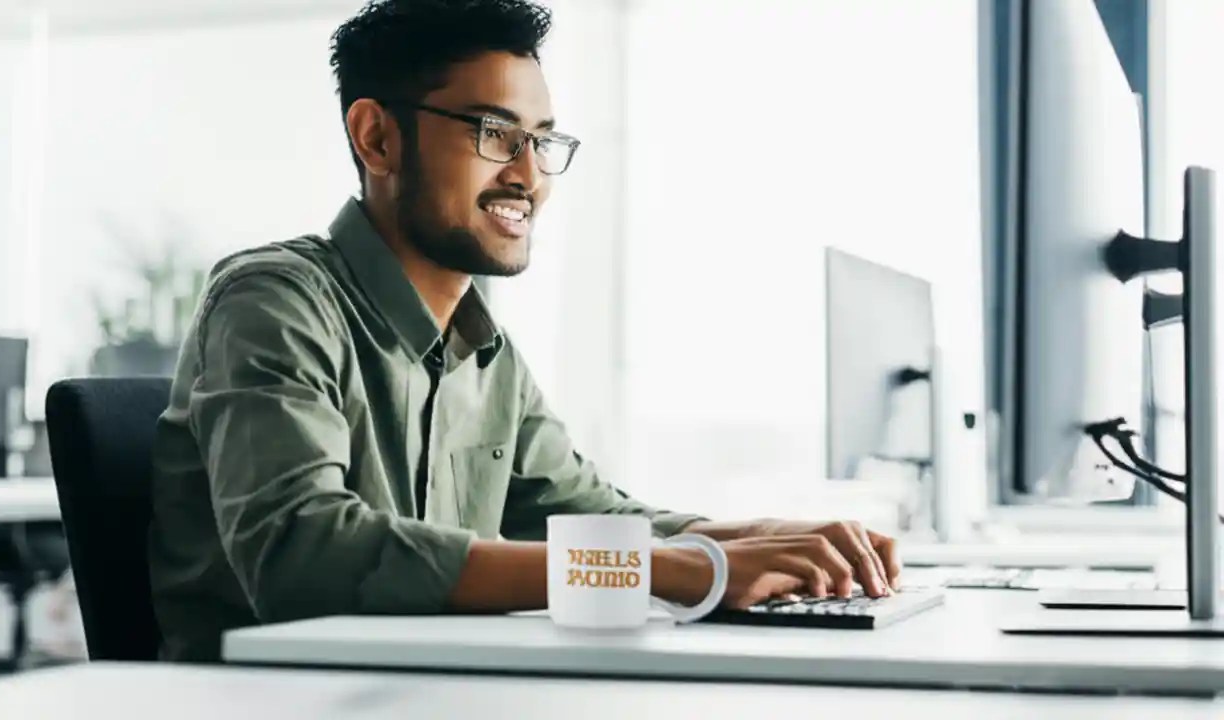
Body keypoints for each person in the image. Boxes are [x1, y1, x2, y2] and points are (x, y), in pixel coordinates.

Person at [148, 0, 902, 663]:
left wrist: (749, 539)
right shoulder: (275, 302)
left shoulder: (485, 352)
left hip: (425, 690)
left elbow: (591, 517)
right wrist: (680, 570)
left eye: (541, 140)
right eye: (492, 132)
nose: (529, 176)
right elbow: (302, 557)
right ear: (377, 139)